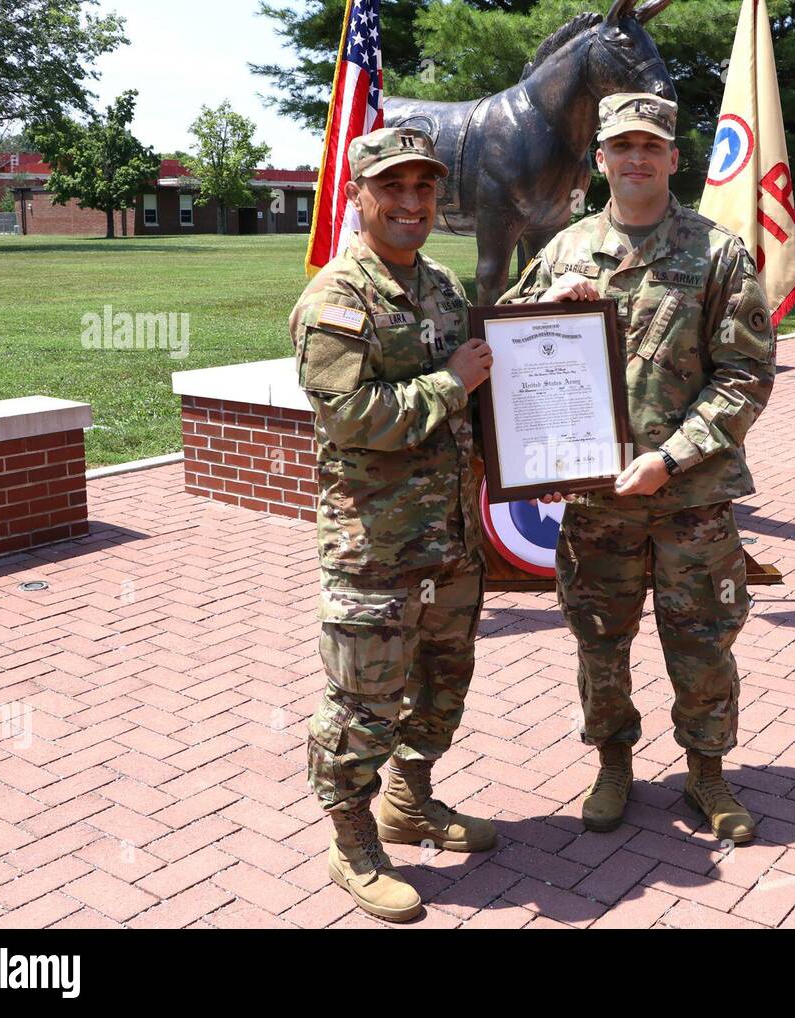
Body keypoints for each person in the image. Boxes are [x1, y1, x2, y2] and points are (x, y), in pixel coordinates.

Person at [499, 93, 777, 844]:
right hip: (597, 501)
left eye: (652, 146)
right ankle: (613, 760)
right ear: (601, 160)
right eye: (622, 146)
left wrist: (669, 457)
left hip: (689, 497)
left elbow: (745, 377)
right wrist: (547, 302)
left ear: (673, 160)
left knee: (703, 639)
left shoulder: (718, 253)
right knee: (599, 637)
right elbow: (506, 354)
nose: (637, 159)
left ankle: (707, 770)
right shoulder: (562, 249)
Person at [290, 127, 496, 921]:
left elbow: (483, 367)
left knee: (444, 684)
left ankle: (408, 805)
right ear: (360, 195)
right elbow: (353, 418)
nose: (411, 204)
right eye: (394, 189)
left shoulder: (441, 284)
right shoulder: (338, 299)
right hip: (373, 547)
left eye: (424, 189)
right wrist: (450, 385)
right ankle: (352, 842)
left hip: (447, 539)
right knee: (362, 702)